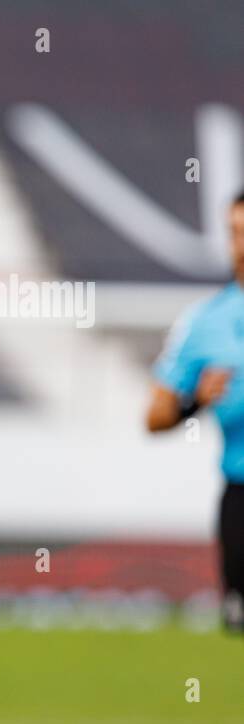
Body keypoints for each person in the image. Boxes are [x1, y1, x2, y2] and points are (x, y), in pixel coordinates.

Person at [146, 190, 244, 633]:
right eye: (235, 233)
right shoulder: (204, 321)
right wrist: (195, 401)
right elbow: (155, 416)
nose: (241, 246)